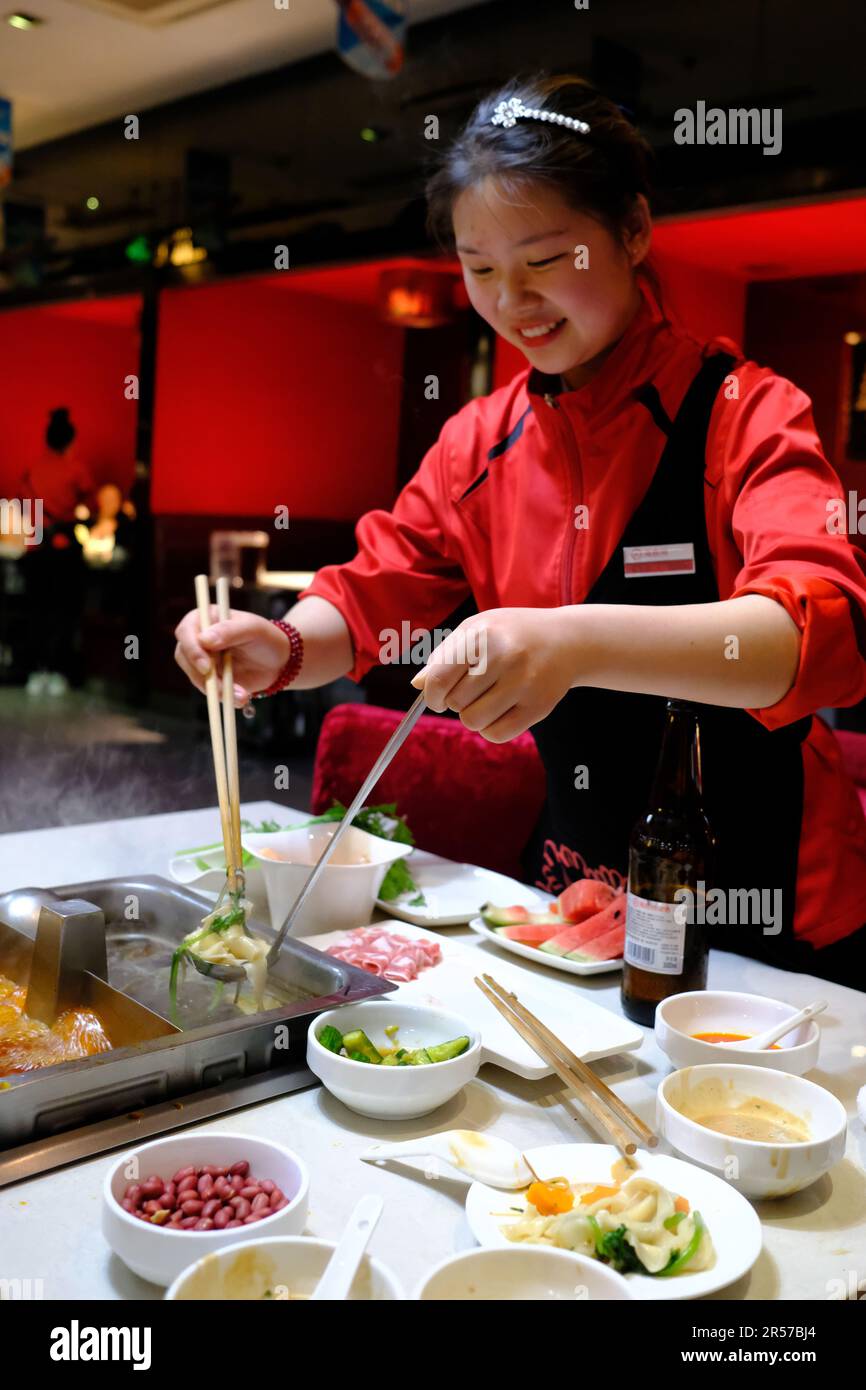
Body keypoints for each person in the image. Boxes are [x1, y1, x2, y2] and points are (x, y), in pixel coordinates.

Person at [174, 75, 866, 987]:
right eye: (481, 267)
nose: (514, 301)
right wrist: (284, 644)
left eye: (546, 260)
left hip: (765, 913)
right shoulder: (478, 441)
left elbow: (820, 635)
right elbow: (384, 585)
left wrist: (569, 641)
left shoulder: (745, 410)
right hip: (571, 897)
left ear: (634, 232)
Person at [21, 406, 94, 694]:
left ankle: (35, 671)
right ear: (71, 442)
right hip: (64, 552)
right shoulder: (76, 469)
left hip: (36, 548)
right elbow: (91, 505)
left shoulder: (32, 470)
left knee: (36, 611)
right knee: (64, 611)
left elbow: (24, 508)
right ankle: (60, 672)